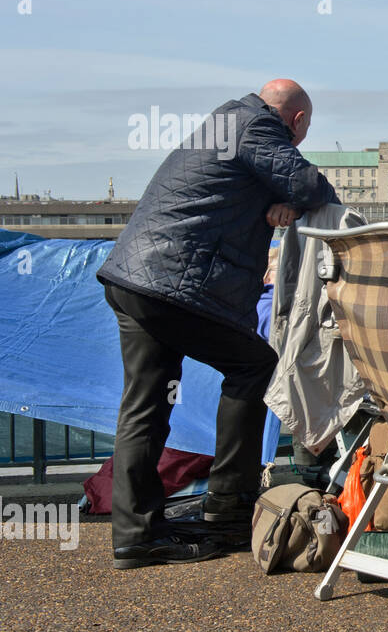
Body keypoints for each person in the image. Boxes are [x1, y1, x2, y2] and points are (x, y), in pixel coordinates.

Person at [98, 80, 339, 569]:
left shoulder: (221, 123)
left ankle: (136, 535)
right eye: (303, 133)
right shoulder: (255, 125)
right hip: (171, 285)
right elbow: (314, 187)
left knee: (145, 405)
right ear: (295, 121)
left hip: (132, 278)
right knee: (254, 365)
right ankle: (228, 509)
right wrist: (292, 199)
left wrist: (281, 197)